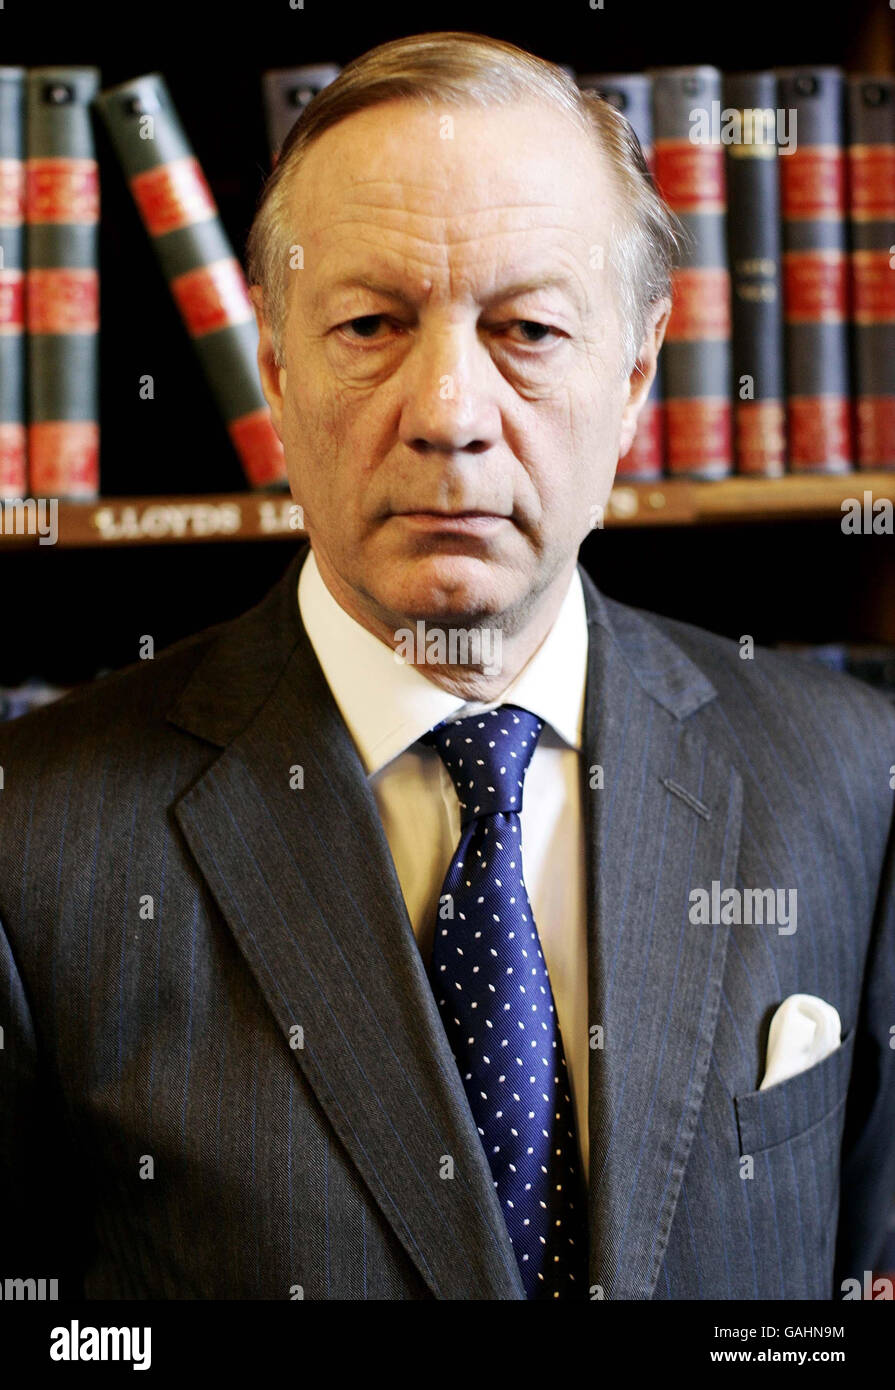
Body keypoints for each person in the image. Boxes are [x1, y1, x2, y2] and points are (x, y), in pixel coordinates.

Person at [1, 30, 893, 1302]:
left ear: (636, 374)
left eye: (528, 328)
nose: (449, 413)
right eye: (369, 323)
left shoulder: (851, 776)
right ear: (275, 368)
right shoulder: (31, 838)